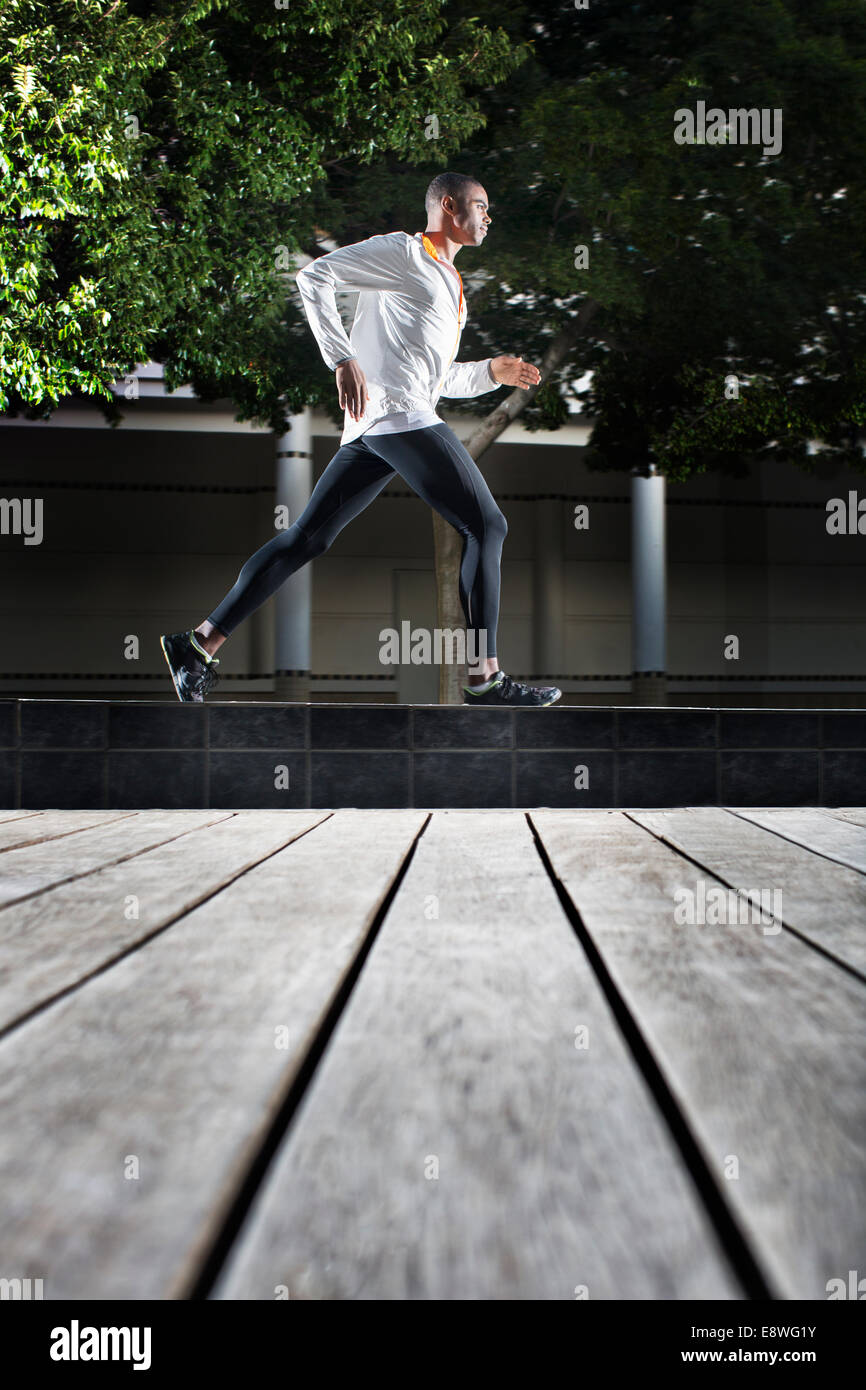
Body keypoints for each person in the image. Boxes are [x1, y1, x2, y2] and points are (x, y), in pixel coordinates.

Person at [161, 172, 562, 707]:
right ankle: (484, 676)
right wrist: (342, 357)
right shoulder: (402, 252)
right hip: (395, 415)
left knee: (308, 538)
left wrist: (492, 371)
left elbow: (435, 380)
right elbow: (314, 278)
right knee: (486, 524)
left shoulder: (450, 282)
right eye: (480, 206)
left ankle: (198, 643)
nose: (489, 217)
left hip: (383, 420)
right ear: (448, 206)